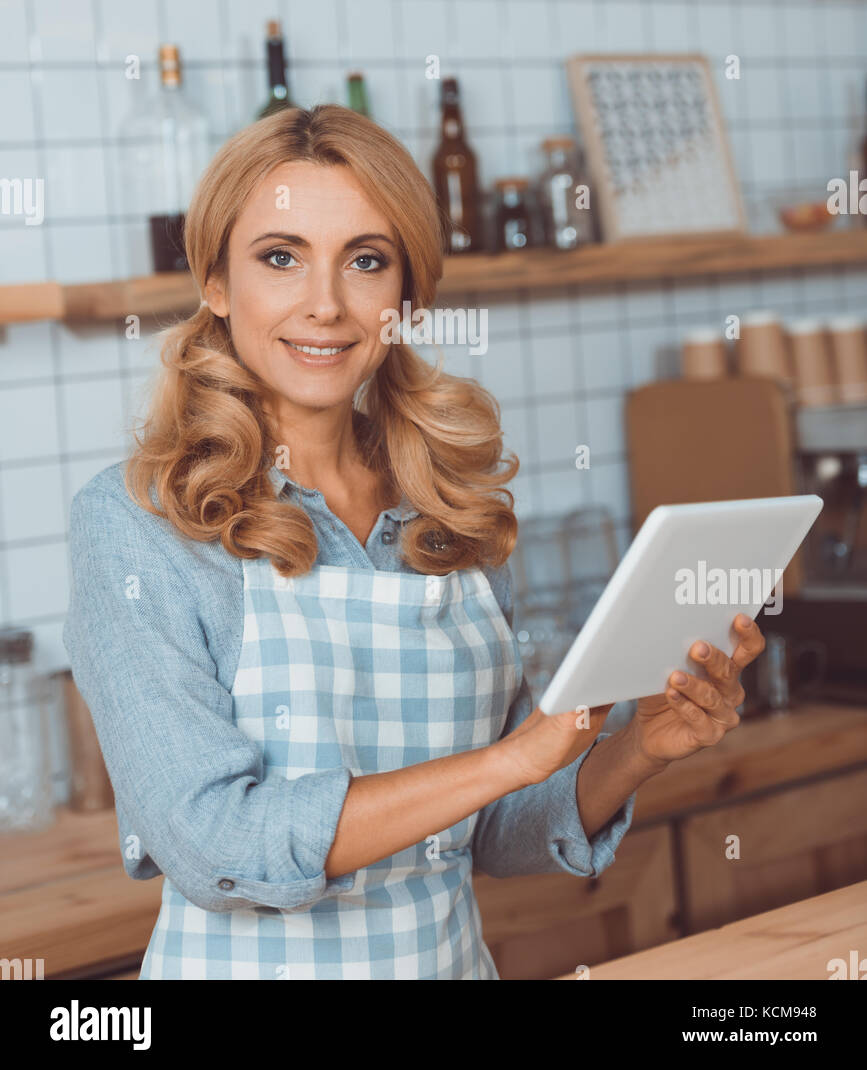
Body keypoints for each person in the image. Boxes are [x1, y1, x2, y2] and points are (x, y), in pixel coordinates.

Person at [64, 105, 764, 980]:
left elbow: (491, 830)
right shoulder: (139, 523)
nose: (324, 304)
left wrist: (634, 748)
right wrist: (508, 758)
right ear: (214, 284)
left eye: (365, 261)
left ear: (406, 297)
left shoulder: (446, 508)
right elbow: (211, 845)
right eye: (279, 258)